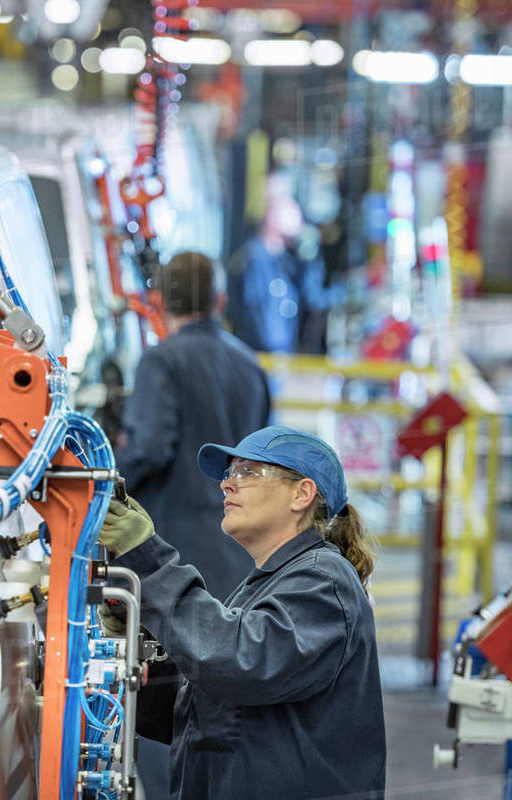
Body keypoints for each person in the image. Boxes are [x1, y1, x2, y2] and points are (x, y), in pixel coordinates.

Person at [101, 425, 386, 800]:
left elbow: (240, 662)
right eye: (228, 473)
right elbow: (203, 711)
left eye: (247, 472)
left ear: (302, 494)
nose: (226, 485)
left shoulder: (323, 580)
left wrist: (150, 563)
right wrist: (138, 627)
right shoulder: (268, 586)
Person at [115, 251, 270, 602]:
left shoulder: (161, 360)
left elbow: (150, 450)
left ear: (159, 301)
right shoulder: (251, 365)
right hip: (241, 550)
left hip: (172, 552)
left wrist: (101, 489)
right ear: (220, 300)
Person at [227, 173, 345, 354]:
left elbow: (313, 297)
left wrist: (310, 252)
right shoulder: (256, 260)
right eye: (286, 202)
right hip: (267, 358)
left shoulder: (286, 259)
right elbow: (259, 320)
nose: (295, 209)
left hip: (280, 356)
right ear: (270, 214)